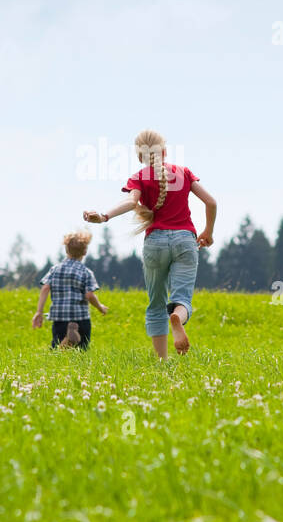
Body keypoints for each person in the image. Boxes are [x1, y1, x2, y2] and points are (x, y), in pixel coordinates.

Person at [84, 130, 216, 357]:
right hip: (185, 240)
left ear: (139, 157)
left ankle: (162, 362)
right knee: (182, 299)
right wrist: (208, 232)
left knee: (156, 303)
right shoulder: (183, 173)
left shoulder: (139, 177)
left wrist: (105, 216)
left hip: (155, 243)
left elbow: (130, 202)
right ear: (164, 151)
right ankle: (178, 318)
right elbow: (211, 202)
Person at [32, 230, 109, 350]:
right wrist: (100, 307)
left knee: (57, 347)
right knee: (82, 350)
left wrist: (39, 312)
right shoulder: (86, 272)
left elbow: (45, 288)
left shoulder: (55, 269)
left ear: (66, 250)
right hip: (80, 317)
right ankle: (73, 337)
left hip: (59, 317)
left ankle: (66, 342)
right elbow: (89, 295)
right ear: (85, 251)